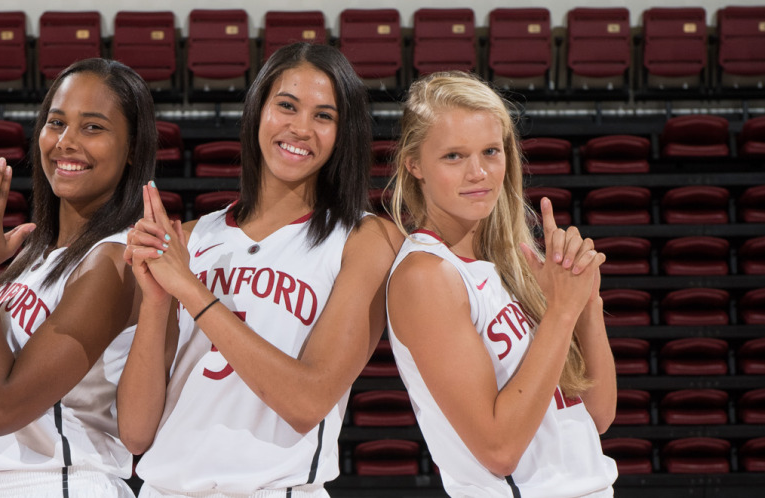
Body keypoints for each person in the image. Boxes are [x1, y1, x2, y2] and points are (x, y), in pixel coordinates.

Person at [116, 42, 403, 497]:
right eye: (286, 106)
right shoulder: (190, 239)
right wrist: (156, 301)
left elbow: (307, 402)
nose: (301, 128)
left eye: (323, 116)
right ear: (257, 111)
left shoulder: (365, 239)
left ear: (344, 132)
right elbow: (134, 432)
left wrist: (189, 290)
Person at [0, 58, 157, 497]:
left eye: (93, 128)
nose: (66, 142)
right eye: (57, 123)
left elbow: (1, 409)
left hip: (63, 482)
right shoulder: (29, 255)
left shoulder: (113, 262)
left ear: (132, 149)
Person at [385, 71, 618, 497]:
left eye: (491, 151)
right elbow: (499, 449)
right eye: (454, 156)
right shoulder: (427, 276)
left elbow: (597, 415)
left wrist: (587, 303)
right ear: (414, 164)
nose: (478, 172)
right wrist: (561, 312)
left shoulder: (519, 260)